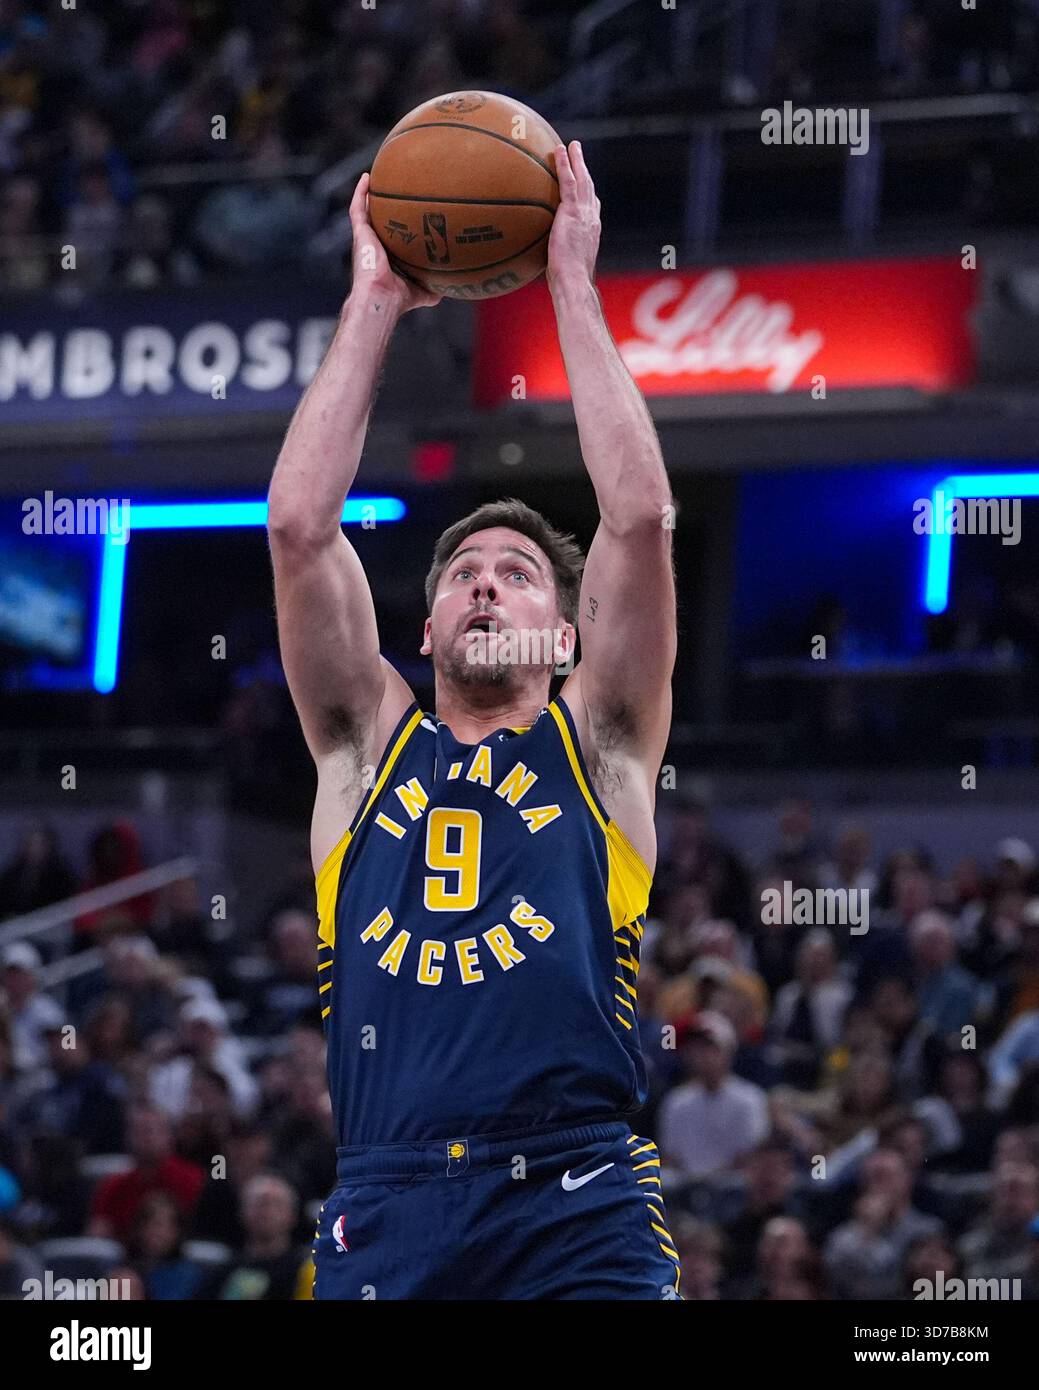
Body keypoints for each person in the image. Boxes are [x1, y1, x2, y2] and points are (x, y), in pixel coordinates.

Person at [268, 143, 679, 1300]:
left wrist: (571, 288)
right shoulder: (363, 748)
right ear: (429, 630)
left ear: (566, 639)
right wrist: (374, 300)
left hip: (573, 1191)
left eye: (517, 572)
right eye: (461, 573)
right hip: (384, 1197)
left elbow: (639, 519)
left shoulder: (599, 744)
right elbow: (300, 525)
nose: (485, 583)